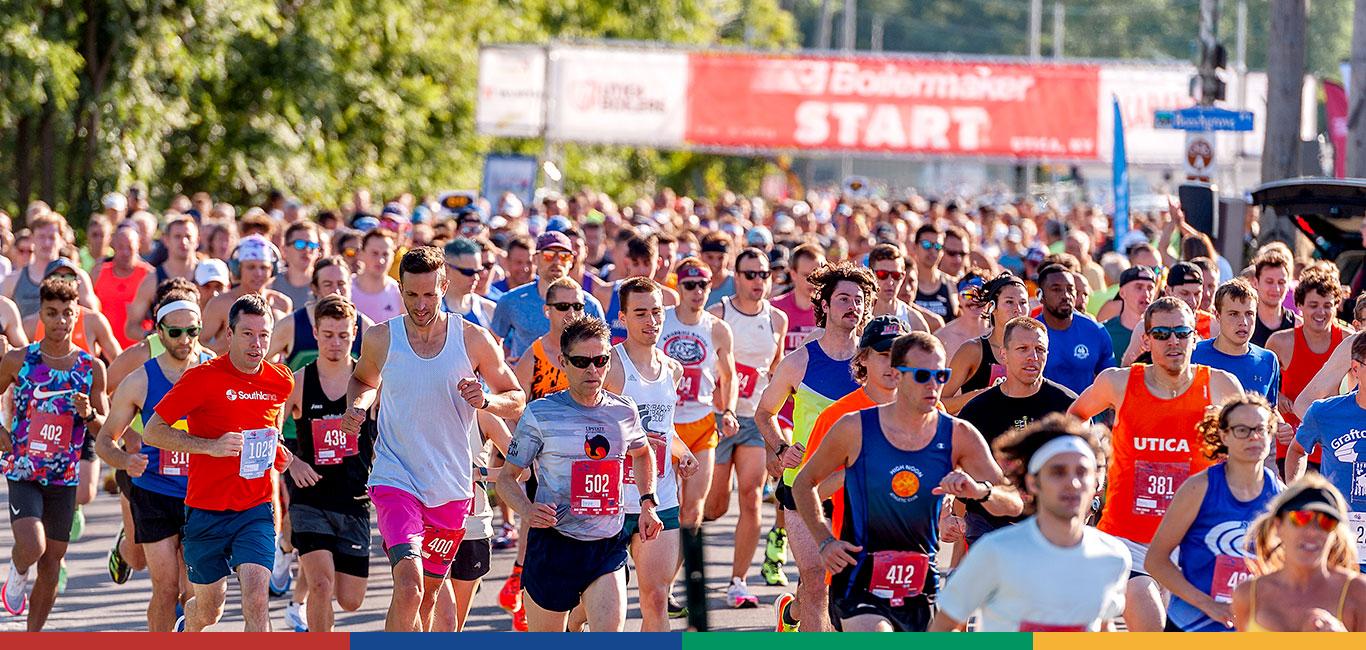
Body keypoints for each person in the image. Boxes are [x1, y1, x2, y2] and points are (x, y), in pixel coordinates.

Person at [343, 246, 524, 632]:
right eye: (412, 295)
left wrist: (487, 401)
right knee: (409, 586)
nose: (421, 305)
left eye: (429, 294)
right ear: (400, 290)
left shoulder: (472, 338)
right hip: (396, 478)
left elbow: (517, 398)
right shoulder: (380, 338)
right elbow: (362, 379)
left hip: (452, 488)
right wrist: (359, 405)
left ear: (444, 286)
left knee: (426, 600)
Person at [794, 332, 1022, 631]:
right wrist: (824, 540)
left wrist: (980, 491)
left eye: (941, 375)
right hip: (858, 579)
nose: (934, 385)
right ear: (898, 375)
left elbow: (1014, 502)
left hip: (920, 582)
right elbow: (803, 483)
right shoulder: (855, 428)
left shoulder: (958, 435)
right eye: (923, 375)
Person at [1068, 297, 1243, 632]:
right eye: (1162, 333)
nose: (1173, 341)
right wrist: (1090, 466)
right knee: (1151, 627)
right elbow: (1076, 415)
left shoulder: (1220, 386)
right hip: (1128, 540)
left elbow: (1250, 441)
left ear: (1195, 337)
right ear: (1146, 340)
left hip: (1193, 541)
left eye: (1181, 332)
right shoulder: (1118, 382)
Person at [497, 316, 663, 632]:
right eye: (582, 361)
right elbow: (507, 478)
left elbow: (642, 453)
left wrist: (647, 502)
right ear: (563, 361)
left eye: (600, 361)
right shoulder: (541, 413)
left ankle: (579, 619)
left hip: (607, 545)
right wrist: (528, 511)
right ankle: (574, 623)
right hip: (554, 545)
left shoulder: (623, 411)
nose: (592, 370)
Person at [142, 294, 292, 632]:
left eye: (264, 335)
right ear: (230, 335)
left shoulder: (280, 380)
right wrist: (210, 447)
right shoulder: (202, 378)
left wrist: (278, 447)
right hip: (206, 510)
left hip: (254, 509)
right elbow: (153, 431)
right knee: (210, 610)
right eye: (248, 334)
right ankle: (189, 626)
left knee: (256, 598)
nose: (257, 343)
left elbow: (274, 419)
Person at [754, 261, 875, 632]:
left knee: (844, 584)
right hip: (803, 484)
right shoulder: (800, 361)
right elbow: (764, 412)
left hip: (856, 486)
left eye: (858, 299)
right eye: (842, 298)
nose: (851, 305)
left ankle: (791, 613)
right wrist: (778, 448)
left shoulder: (875, 363)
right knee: (816, 576)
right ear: (823, 304)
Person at [930, 414, 1129, 632]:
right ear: (1033, 482)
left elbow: (1103, 627)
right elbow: (941, 630)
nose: (1072, 483)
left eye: (1082, 472)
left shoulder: (1114, 556)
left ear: (1096, 483)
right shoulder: (996, 551)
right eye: (1058, 472)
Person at [94, 294, 210, 630]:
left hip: (200, 493)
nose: (185, 339)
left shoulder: (213, 370)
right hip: (154, 491)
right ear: (159, 333)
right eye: (175, 333)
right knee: (166, 586)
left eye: (192, 331)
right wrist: (124, 460)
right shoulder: (140, 380)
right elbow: (105, 440)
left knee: (196, 590)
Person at [0, 279, 107, 630]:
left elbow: (103, 429)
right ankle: (16, 574)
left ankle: (33, 635)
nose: (60, 321)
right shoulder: (20, 359)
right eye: (52, 313)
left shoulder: (92, 369)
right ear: (41, 315)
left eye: (67, 314)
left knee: (52, 563)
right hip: (24, 469)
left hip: (64, 477)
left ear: (78, 315)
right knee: (32, 546)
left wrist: (89, 412)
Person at [602, 276, 695, 630]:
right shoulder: (609, 365)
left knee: (656, 597)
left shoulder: (673, 368)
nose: (651, 321)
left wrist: (681, 454)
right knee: (593, 604)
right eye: (640, 313)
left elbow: (665, 429)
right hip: (609, 499)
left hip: (658, 498)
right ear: (622, 318)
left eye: (656, 312)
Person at [1147, 395, 1285, 632]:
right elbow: (1155, 561)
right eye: (1242, 430)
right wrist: (1208, 605)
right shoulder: (1198, 488)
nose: (1253, 437)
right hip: (1191, 623)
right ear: (1224, 435)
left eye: (1261, 429)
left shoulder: (1280, 497)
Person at [281, 295, 377, 632]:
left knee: (351, 599)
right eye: (327, 335)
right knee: (320, 586)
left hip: (354, 501)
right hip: (311, 499)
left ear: (355, 334)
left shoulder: (368, 381)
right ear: (316, 333)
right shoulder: (298, 381)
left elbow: (392, 435)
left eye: (343, 335)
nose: (335, 343)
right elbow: (268, 432)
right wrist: (291, 462)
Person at [499, 275, 583, 630]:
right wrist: (519, 452)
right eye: (563, 306)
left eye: (578, 306)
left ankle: (530, 589)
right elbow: (515, 404)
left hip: (584, 460)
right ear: (547, 310)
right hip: (543, 459)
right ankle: (526, 594)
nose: (571, 313)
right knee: (542, 528)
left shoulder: (589, 352)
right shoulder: (535, 354)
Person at [706, 248, 786, 608]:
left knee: (752, 495)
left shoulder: (777, 319)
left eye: (763, 275)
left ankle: (738, 581)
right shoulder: (718, 314)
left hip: (754, 418)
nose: (758, 281)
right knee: (714, 506)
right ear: (735, 276)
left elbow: (778, 371)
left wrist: (778, 425)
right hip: (718, 418)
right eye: (750, 274)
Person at [659, 257, 737, 616]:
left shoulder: (717, 328)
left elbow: (729, 374)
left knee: (693, 509)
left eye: (702, 285)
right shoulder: (662, 321)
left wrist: (730, 410)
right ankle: (653, 575)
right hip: (663, 426)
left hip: (703, 424)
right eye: (689, 285)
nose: (696, 292)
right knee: (663, 508)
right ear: (679, 286)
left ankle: (672, 587)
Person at [957, 317, 1077, 544]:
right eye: (1022, 349)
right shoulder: (977, 410)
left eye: (1040, 349)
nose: (1033, 357)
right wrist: (950, 516)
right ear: (1003, 354)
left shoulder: (1067, 405)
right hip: (989, 522)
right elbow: (958, 467)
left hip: (1049, 521)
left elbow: (1092, 463)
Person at [1231, 476, 1366, 631]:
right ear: (1278, 526)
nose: (1313, 531)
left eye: (1326, 521)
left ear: (1334, 533)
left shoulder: (1357, 592)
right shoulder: (1248, 594)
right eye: (1301, 518)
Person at [1287, 332, 1366, 571]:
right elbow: (1297, 451)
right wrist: (1297, 495)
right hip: (1337, 537)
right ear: (1355, 369)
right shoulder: (1324, 413)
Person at [1269, 267, 1346, 478]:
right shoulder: (1281, 342)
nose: (1321, 312)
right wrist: (1279, 396)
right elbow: (1262, 390)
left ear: (1337, 306)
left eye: (1327, 306)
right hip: (1294, 444)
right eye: (1313, 305)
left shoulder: (1349, 341)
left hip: (1337, 446)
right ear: (1300, 306)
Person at [491, 232, 606, 363]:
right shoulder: (511, 300)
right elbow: (492, 341)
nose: (556, 262)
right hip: (526, 381)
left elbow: (604, 351)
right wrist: (503, 366)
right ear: (535, 259)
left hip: (573, 381)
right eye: (548, 255)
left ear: (572, 261)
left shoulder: (589, 304)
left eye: (564, 256)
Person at [943, 273, 1031, 412]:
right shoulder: (973, 350)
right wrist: (978, 396)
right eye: (1009, 302)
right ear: (992, 307)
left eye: (1023, 302)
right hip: (979, 432)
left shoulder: (1035, 350)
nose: (1018, 309)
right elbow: (941, 404)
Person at [1191, 279, 1282, 401]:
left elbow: (1270, 411)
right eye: (1233, 314)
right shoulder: (1194, 354)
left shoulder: (1268, 360)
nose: (1243, 322)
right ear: (1218, 316)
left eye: (1249, 314)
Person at [201, 234, 293, 354]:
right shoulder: (220, 304)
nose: (258, 273)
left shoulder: (282, 303)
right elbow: (199, 346)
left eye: (264, 267)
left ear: (272, 270)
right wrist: (229, 343)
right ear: (239, 269)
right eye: (251, 267)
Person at [1034, 263, 1115, 394]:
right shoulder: (1029, 333)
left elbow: (1111, 384)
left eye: (1070, 289)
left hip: (1083, 413)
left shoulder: (1095, 332)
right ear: (1040, 295)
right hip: (1041, 413)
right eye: (1056, 289)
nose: (1065, 295)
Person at [24, 259, 123, 364]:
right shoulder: (30, 325)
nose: (63, 282)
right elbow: (19, 366)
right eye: (56, 276)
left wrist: (103, 379)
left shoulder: (93, 321)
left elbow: (119, 362)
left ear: (78, 283)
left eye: (69, 277)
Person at [2, 214, 99, 318]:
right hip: (26, 334)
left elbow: (93, 317)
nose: (46, 243)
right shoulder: (13, 280)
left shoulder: (78, 277)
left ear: (62, 240)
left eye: (52, 237)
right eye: (41, 237)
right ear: (32, 238)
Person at [125, 216, 199, 342]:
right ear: (166, 240)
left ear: (197, 241)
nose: (183, 241)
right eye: (177, 236)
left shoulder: (210, 277)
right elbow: (131, 328)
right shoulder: (152, 280)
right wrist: (157, 337)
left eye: (188, 236)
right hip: (165, 356)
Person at [92, 224, 153, 348]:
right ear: (113, 246)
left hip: (141, 350)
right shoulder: (98, 273)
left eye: (130, 247)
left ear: (138, 246)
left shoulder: (149, 275)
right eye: (120, 247)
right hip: (105, 349)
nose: (125, 253)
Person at [866, 243, 930, 333]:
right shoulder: (858, 316)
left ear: (903, 276)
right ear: (870, 275)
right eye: (882, 274)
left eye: (896, 275)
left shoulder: (914, 321)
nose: (890, 282)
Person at [1101, 266, 1157, 360]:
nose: (1146, 294)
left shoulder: (1161, 333)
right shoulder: (1104, 332)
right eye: (1139, 287)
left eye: (1150, 288)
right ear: (1122, 293)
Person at [441, 238, 496, 328]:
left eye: (478, 271)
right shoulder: (430, 310)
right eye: (468, 272)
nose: (476, 277)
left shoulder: (488, 310)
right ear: (446, 269)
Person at [933, 273, 990, 360]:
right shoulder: (942, 337)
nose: (974, 300)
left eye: (980, 294)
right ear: (959, 298)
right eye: (968, 294)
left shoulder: (998, 334)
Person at [350, 229, 403, 322]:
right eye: (375, 253)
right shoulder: (345, 287)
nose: (380, 260)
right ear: (361, 254)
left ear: (393, 256)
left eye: (385, 254)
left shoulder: (400, 294)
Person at [1249, 251, 1299, 348]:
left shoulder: (1298, 326)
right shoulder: (1244, 322)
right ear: (1255, 283)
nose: (1276, 289)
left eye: (1281, 282)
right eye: (1269, 282)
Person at [271, 222, 323, 309]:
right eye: (300, 244)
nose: (307, 250)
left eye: (312, 245)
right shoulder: (271, 285)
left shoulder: (324, 285)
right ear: (284, 250)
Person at [912, 225, 958, 321]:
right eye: (927, 245)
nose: (933, 251)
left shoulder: (951, 284)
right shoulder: (905, 282)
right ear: (915, 247)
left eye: (938, 246)